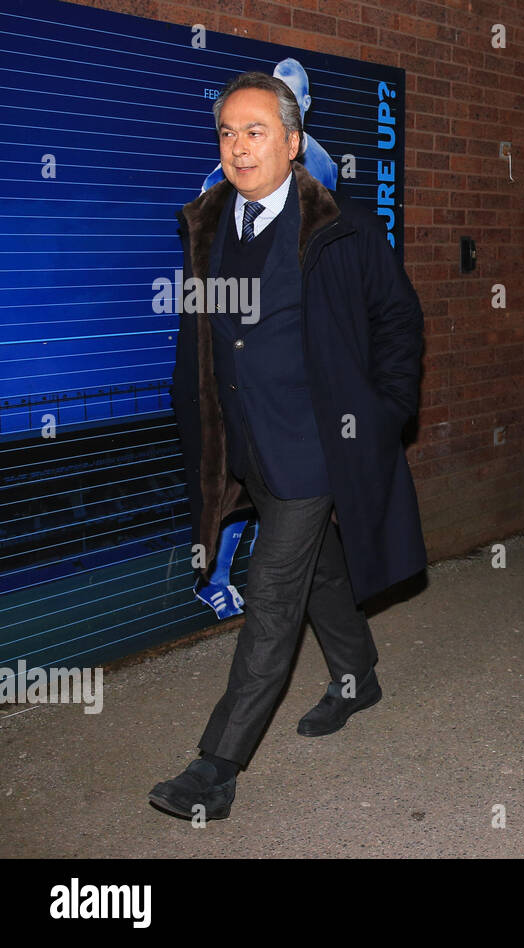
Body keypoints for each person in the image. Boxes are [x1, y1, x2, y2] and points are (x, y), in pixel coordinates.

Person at [149, 71, 426, 821]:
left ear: (294, 142)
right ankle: (357, 676)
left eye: (256, 131)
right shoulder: (208, 226)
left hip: (315, 446)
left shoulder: (342, 227)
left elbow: (399, 323)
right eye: (228, 134)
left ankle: (216, 766)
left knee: (272, 597)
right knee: (321, 573)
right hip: (242, 444)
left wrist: (388, 411)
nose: (239, 149)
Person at [202, 58, 339, 193]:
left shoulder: (325, 166)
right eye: (229, 134)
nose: (238, 149)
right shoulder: (219, 180)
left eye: (254, 134)